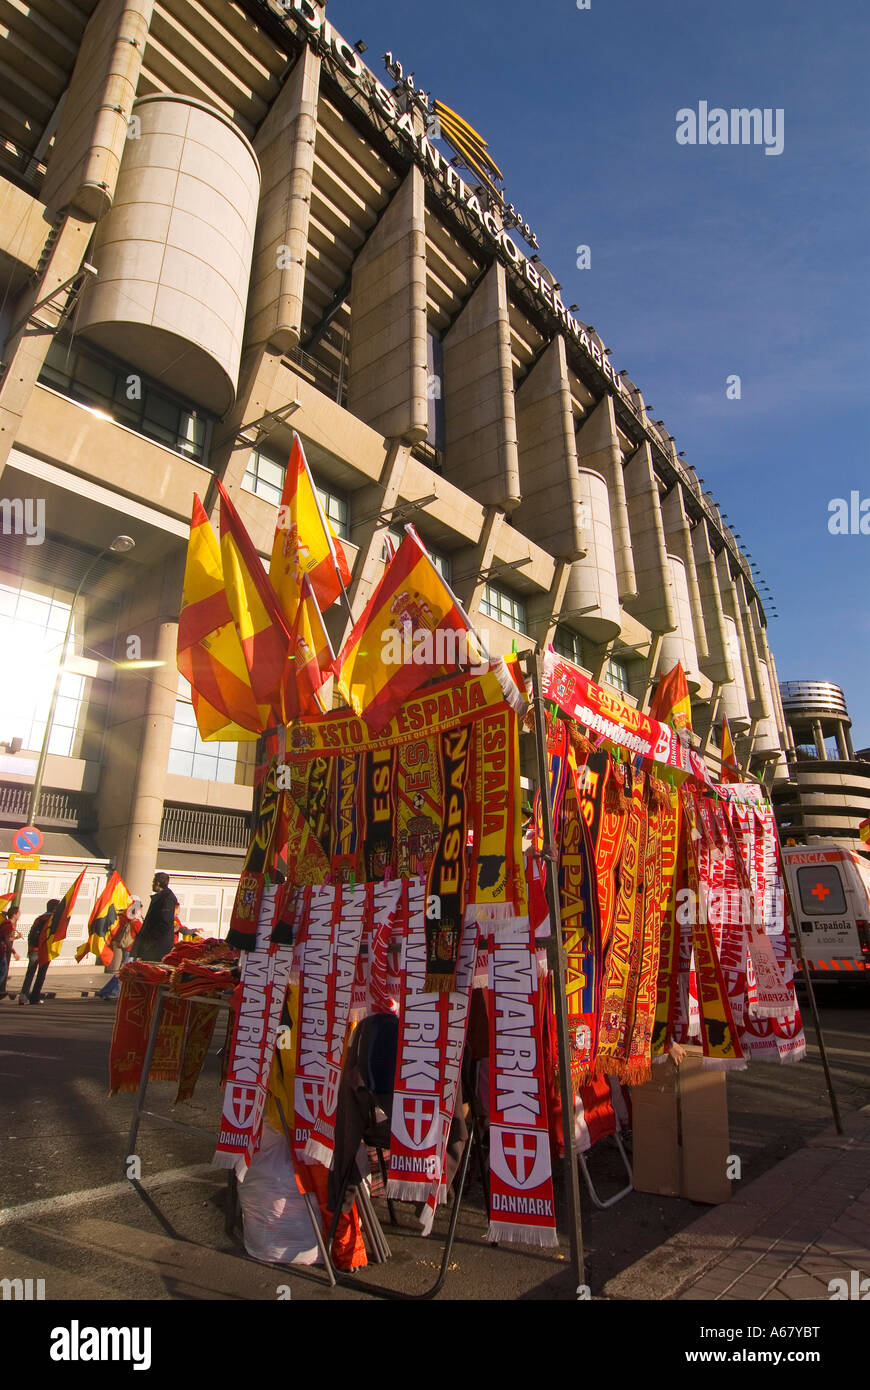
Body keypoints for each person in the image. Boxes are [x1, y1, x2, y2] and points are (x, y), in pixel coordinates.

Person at [96, 898, 143, 1001]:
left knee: (121, 971)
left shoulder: (128, 920)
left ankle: (106, 990)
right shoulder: (136, 923)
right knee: (124, 972)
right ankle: (114, 992)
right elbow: (142, 936)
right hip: (131, 950)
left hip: (126, 948)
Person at [19, 899, 60, 1005]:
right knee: (41, 974)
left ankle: (23, 996)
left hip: (34, 948)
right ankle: (35, 997)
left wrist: (30, 948)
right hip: (45, 949)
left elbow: (31, 933)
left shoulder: (39, 918)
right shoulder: (54, 919)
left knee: (30, 973)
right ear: (55, 908)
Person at [130, 873, 178, 963]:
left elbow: (164, 922)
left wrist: (149, 942)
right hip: (153, 946)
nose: (152, 884)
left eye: (153, 882)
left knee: (151, 972)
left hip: (157, 948)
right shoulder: (161, 897)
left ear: (158, 883)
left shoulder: (166, 898)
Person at [0, 907, 21, 1000]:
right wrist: (14, 952)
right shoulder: (8, 924)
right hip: (1, 952)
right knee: (2, 973)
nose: (20, 915)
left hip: (2, 951)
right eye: (19, 913)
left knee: (3, 972)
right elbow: (5, 939)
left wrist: (16, 938)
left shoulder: (7, 924)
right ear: (14, 914)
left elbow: (6, 939)